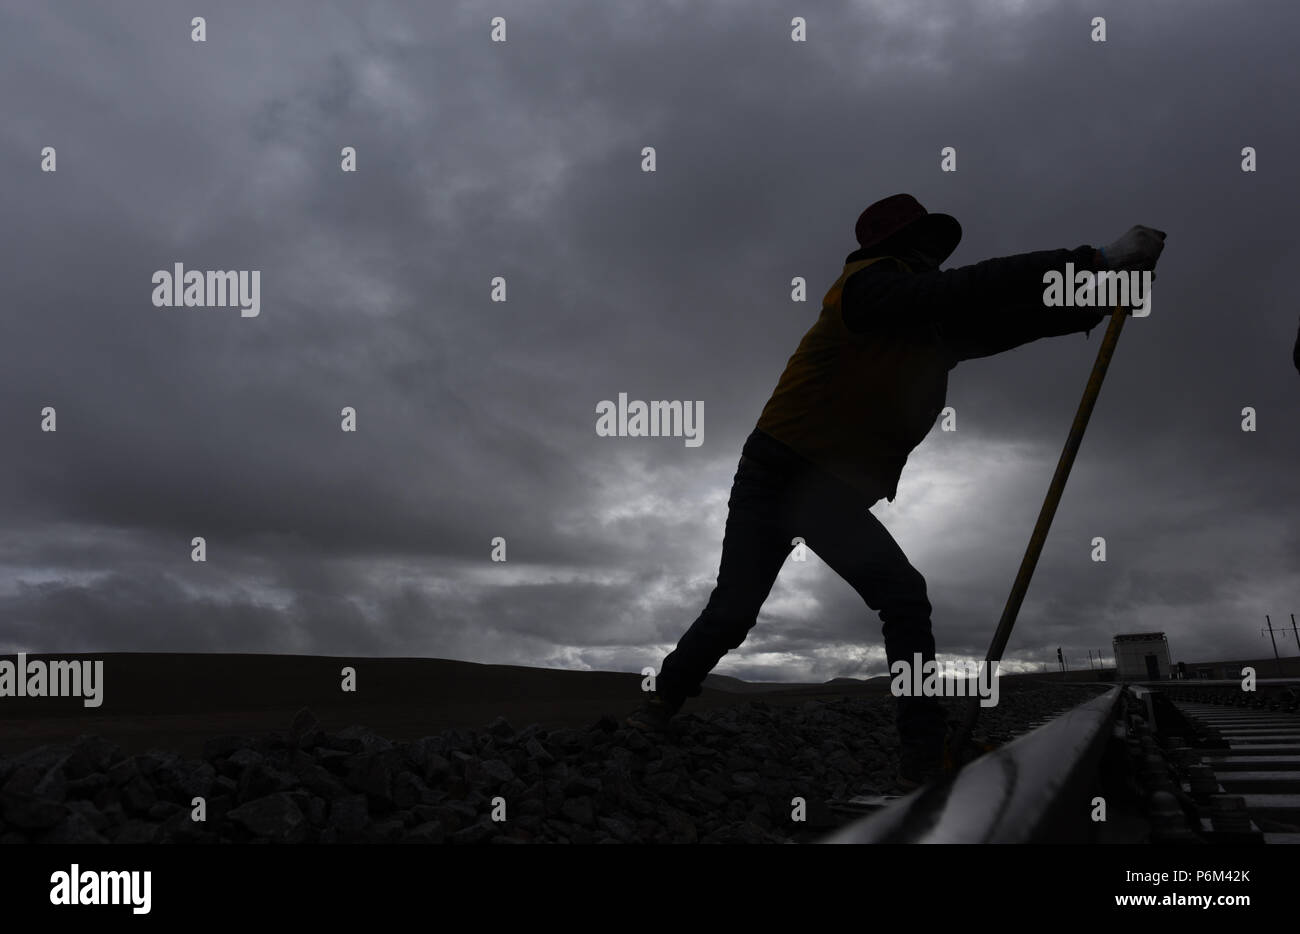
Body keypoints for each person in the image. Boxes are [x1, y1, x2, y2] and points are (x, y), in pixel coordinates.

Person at [625, 193, 1166, 790]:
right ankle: (660, 704)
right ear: (894, 249)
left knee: (900, 598)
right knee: (735, 612)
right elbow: (969, 288)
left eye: (934, 249)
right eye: (923, 246)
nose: (932, 258)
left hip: (827, 489)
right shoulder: (865, 288)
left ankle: (921, 755)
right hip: (779, 472)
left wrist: (1093, 297)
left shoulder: (929, 328)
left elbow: (1011, 321)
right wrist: (1093, 258)